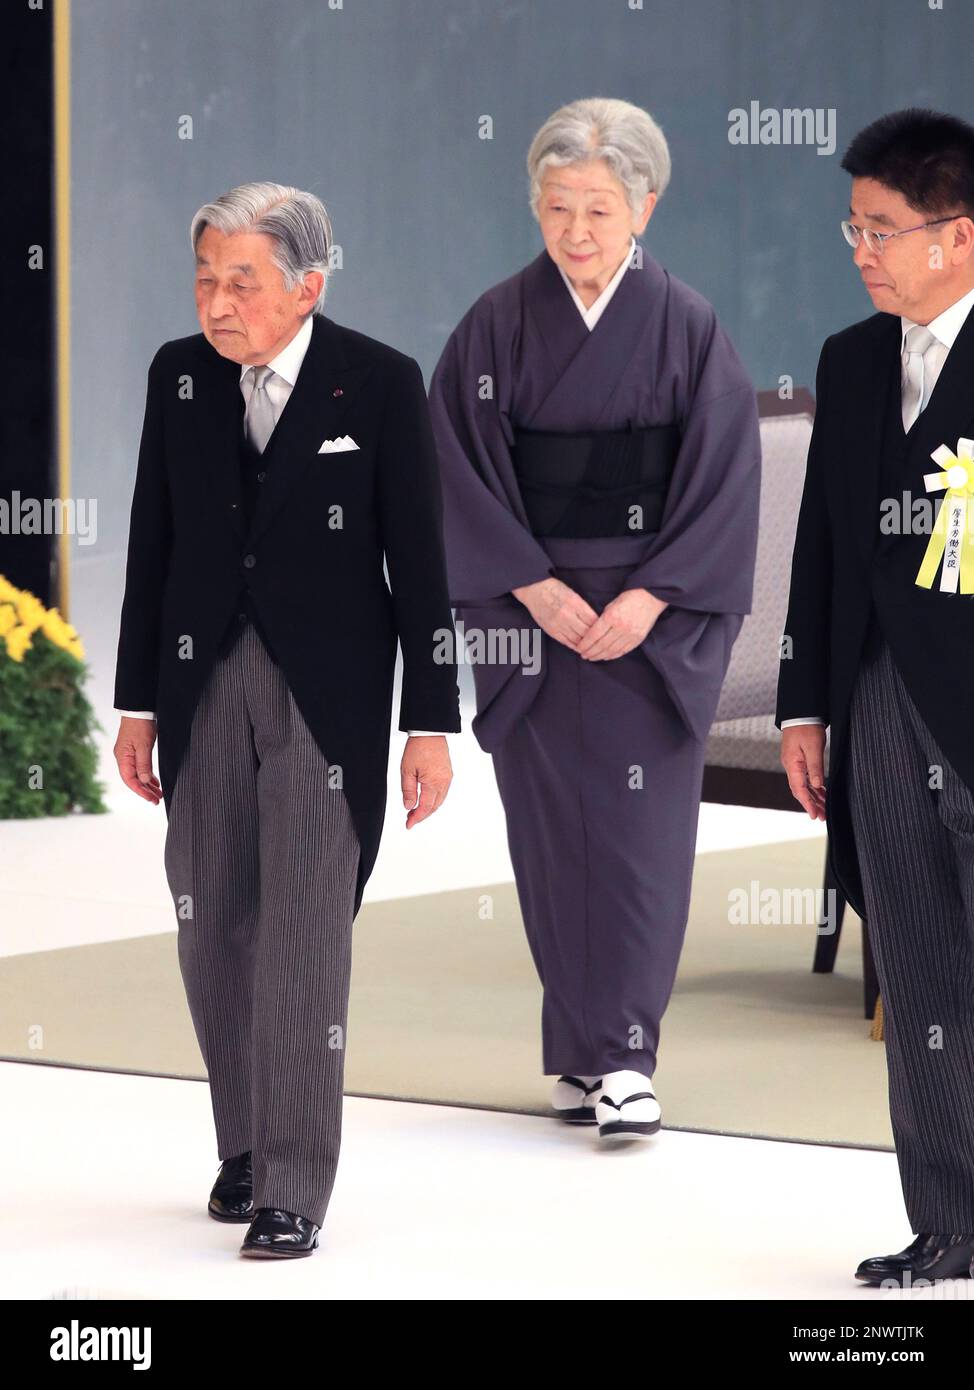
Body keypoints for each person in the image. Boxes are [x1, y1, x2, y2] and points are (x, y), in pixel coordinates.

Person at [113, 182, 460, 1258]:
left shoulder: (383, 383)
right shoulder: (178, 377)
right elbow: (149, 547)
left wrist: (430, 722)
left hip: (332, 699)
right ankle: (246, 1146)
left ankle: (295, 1183)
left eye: (243, 282)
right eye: (206, 279)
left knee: (305, 932)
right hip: (199, 682)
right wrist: (133, 704)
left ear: (309, 285)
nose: (219, 302)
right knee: (211, 919)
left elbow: (423, 565)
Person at [429, 98, 760, 1139]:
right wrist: (530, 585)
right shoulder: (493, 322)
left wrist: (649, 597)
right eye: (558, 207)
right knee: (547, 837)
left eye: (599, 209)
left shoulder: (688, 325)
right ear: (534, 204)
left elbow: (721, 479)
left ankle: (624, 1054)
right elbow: (456, 469)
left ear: (644, 209)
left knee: (633, 840)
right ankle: (575, 1054)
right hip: (529, 615)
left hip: (643, 625)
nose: (576, 231)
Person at [777, 109, 974, 1287]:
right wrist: (805, 705)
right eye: (851, 226)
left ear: (957, 236)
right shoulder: (851, 360)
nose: (860, 248)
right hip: (880, 701)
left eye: (883, 229)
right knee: (915, 965)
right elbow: (818, 548)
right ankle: (946, 1220)